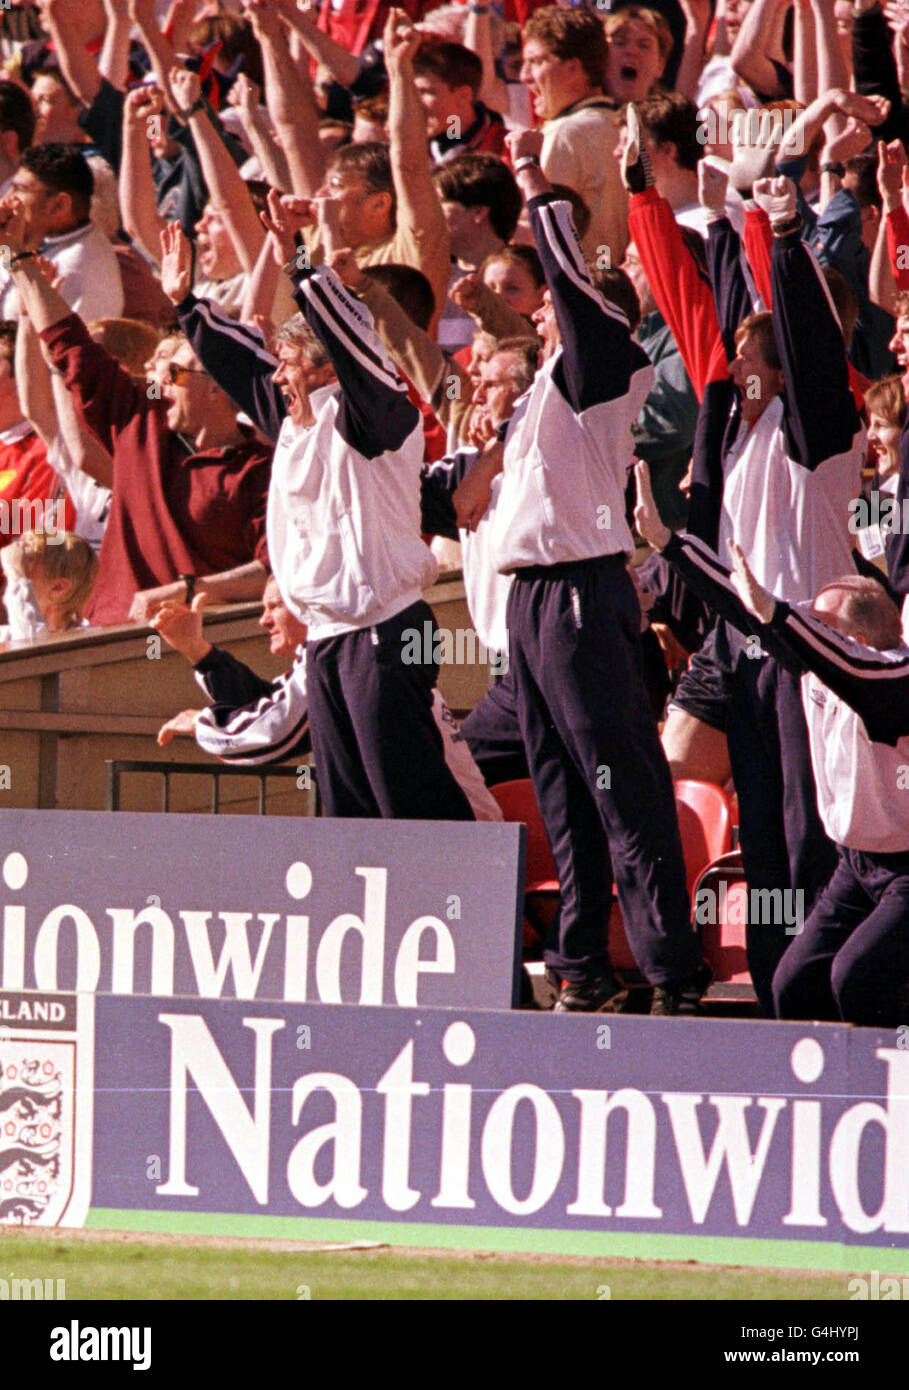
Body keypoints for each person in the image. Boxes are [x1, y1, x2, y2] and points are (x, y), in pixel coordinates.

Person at [471, 126, 707, 1014]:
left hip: (580, 592)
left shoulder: (607, 362)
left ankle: (670, 970)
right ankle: (581, 965)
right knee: (563, 792)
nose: (535, 315)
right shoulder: (545, 386)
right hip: (534, 603)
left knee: (622, 784)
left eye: (548, 307)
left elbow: (572, 294)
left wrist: (534, 182)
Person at [160, 205, 474, 822]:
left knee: (402, 795)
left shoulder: (370, 417)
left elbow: (357, 345)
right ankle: (371, 914)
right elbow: (239, 362)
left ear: (330, 365)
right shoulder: (296, 420)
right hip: (330, 639)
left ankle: (454, 910)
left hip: (387, 629)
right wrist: (186, 304)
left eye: (291, 363)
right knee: (345, 807)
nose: (276, 377)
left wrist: (307, 272)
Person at [634, 458, 909, 1026]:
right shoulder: (824, 665)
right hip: (855, 866)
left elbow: (793, 632)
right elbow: (747, 611)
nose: (802, 627)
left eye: (818, 621)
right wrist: (668, 543)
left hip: (905, 869)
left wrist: (778, 615)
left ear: (853, 639)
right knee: (791, 984)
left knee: (854, 979)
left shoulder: (889, 681)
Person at [1, 210, 271, 626]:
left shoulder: (260, 470)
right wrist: (17, 256)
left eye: (177, 373)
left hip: (200, 654)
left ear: (218, 388)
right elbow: (70, 346)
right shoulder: (141, 423)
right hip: (107, 642)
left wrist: (192, 589)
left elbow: (278, 569)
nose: (161, 382)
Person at [151, 578, 501, 821]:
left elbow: (274, 728)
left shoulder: (340, 653)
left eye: (275, 606)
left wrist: (203, 724)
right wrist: (199, 652)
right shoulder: (336, 661)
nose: (263, 620)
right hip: (450, 838)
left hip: (457, 841)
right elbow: (277, 704)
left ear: (308, 608)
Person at [520, 6, 629, 262]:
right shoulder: (624, 124)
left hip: (579, 292)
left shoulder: (563, 134)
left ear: (573, 68)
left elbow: (541, 240)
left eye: (536, 62)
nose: (525, 76)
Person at [0, 143, 123, 322]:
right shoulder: (29, 241)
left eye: (20, 189)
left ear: (59, 206)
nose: (5, 199)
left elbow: (67, 348)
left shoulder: (80, 265)